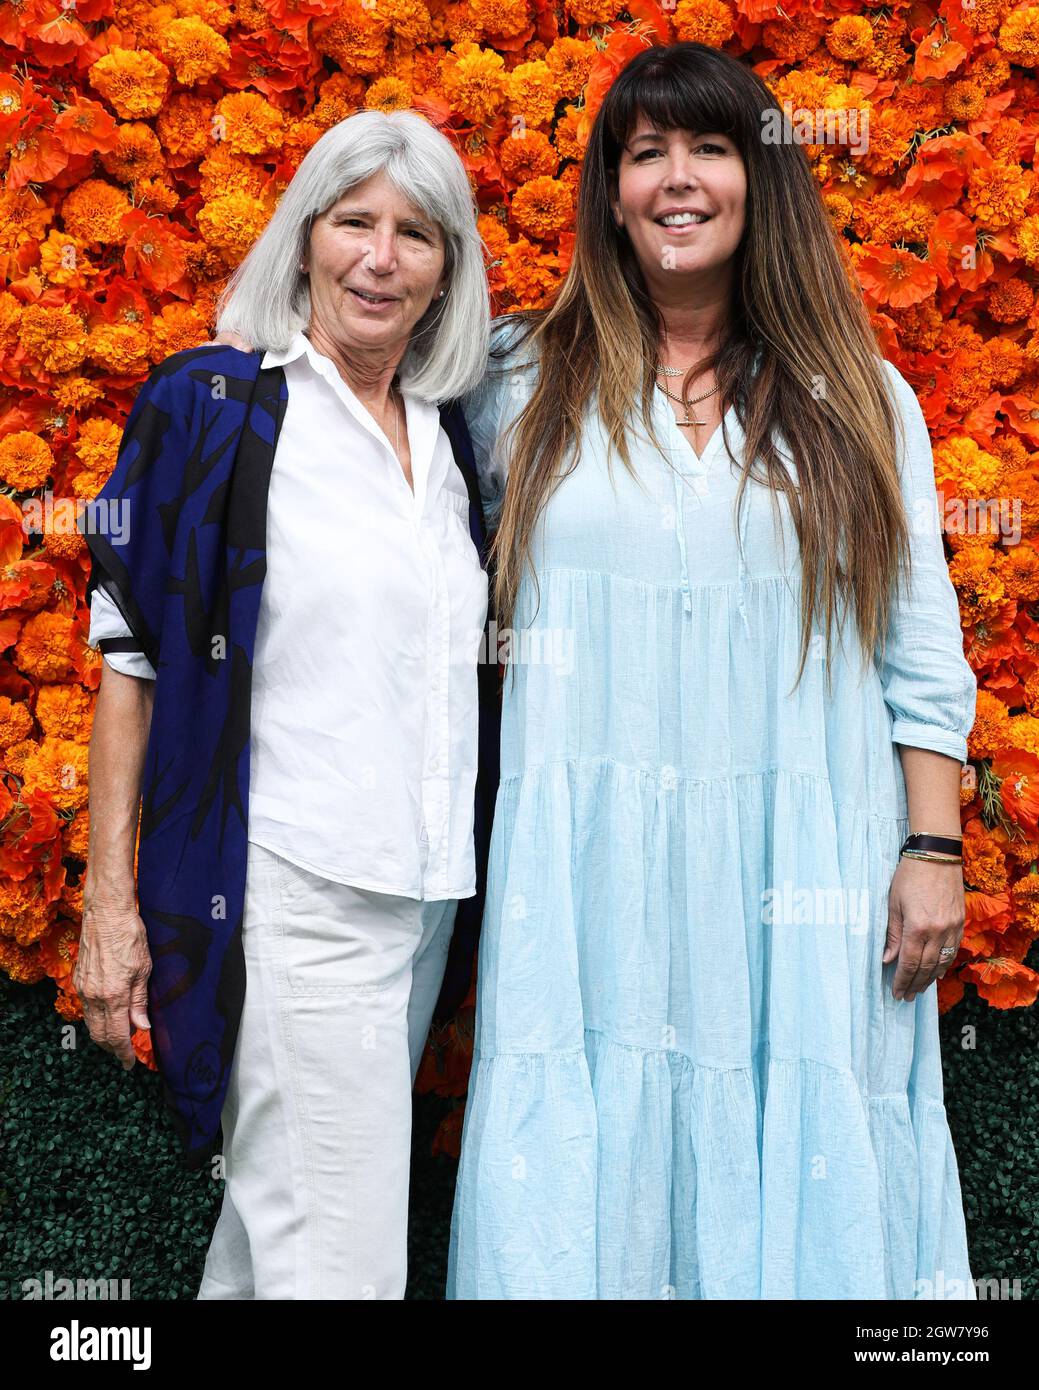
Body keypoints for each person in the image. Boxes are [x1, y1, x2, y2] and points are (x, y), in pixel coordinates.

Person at [446, 42, 979, 1299]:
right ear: (610, 192)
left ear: (760, 180)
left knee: (806, 1137)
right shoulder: (516, 383)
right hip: (589, 870)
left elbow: (917, 638)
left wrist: (934, 848)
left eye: (709, 149)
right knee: (586, 1114)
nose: (676, 180)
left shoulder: (859, 393)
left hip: (801, 859)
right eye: (644, 155)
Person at [74, 108, 500, 1300]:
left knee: (283, 1246)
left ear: (447, 269)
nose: (381, 256)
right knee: (341, 1265)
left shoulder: (452, 435)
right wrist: (111, 905)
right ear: (303, 238)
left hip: (422, 901)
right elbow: (133, 661)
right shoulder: (214, 408)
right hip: (298, 885)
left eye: (416, 233)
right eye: (353, 221)